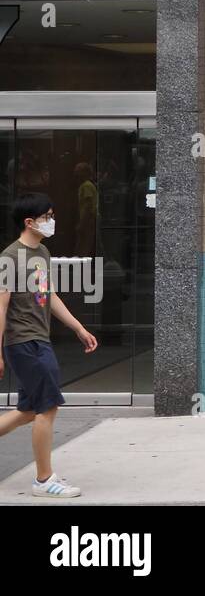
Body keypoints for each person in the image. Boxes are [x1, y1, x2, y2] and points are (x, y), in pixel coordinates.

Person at [0, 194, 100, 498]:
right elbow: (0, 308)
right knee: (48, 405)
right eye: (48, 216)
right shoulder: (9, 258)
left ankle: (44, 477)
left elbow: (50, 296)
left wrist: (79, 328)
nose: (52, 221)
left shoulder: (41, 252)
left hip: (39, 339)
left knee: (30, 410)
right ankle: (44, 480)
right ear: (29, 222)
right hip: (23, 341)